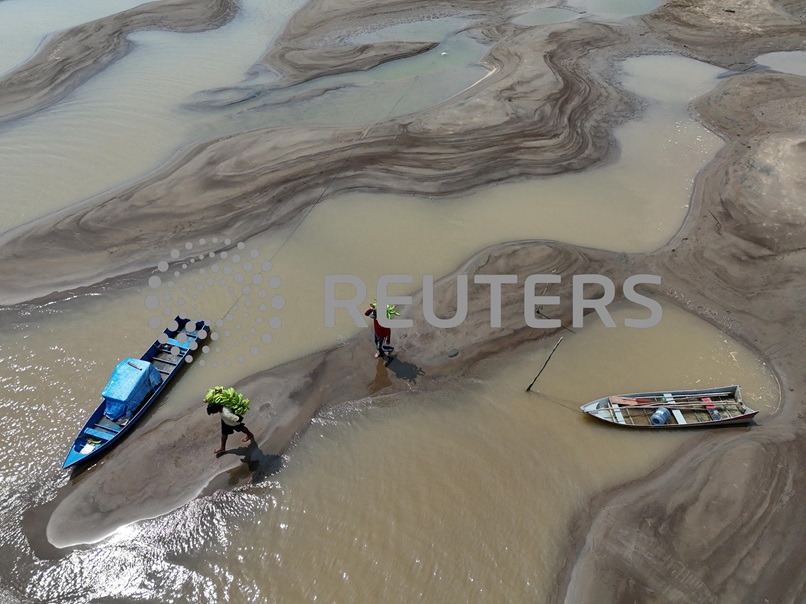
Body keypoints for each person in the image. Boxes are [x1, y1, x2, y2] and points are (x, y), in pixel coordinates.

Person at [204, 386, 255, 455]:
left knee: (242, 428)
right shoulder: (220, 404)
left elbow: (238, 419)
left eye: (213, 412)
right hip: (225, 421)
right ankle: (222, 448)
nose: (213, 414)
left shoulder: (226, 414)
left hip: (232, 422)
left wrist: (236, 422)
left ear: (216, 410)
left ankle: (250, 435)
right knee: (224, 433)